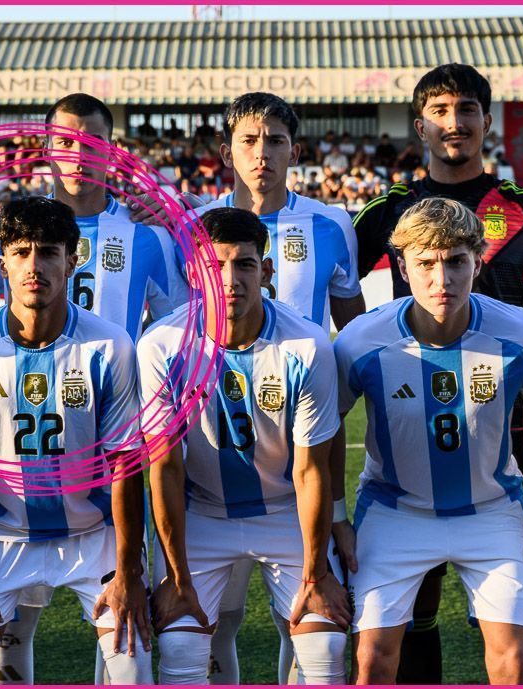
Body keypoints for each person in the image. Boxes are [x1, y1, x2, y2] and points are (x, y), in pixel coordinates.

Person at [0, 92, 189, 685]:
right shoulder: (13, 230)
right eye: (64, 141)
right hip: (20, 435)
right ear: (46, 148)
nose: (77, 154)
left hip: (105, 431)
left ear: (111, 150)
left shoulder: (148, 238)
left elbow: (173, 332)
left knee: (118, 626)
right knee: (12, 634)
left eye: (91, 142)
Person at [334, 197, 523, 684]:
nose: (443, 280)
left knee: (517, 662)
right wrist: (336, 517)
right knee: (372, 661)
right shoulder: (360, 340)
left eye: (456, 261)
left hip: (492, 510)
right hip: (396, 512)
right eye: (426, 263)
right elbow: (325, 427)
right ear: (401, 265)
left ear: (478, 261)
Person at [0, 197, 152, 685]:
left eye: (50, 252)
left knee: (134, 670)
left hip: (91, 533)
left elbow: (125, 466)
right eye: (22, 252)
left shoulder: (109, 345)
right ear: (2, 264)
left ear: (73, 261)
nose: (35, 266)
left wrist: (129, 573)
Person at [192, 91, 365, 684]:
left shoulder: (331, 222)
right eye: (248, 140)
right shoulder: (191, 223)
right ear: (226, 151)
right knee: (219, 618)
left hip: (304, 435)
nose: (261, 152)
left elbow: (353, 330)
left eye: (275, 140)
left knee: (305, 616)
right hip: (216, 438)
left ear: (295, 149)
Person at [141, 207, 350, 685]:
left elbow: (310, 471)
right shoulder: (163, 345)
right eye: (215, 266)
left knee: (324, 647)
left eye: (244, 265)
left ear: (267, 272)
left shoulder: (307, 345)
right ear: (194, 273)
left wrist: (317, 573)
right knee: (178, 647)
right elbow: (166, 469)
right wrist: (176, 577)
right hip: (202, 514)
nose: (230, 280)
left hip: (283, 512)